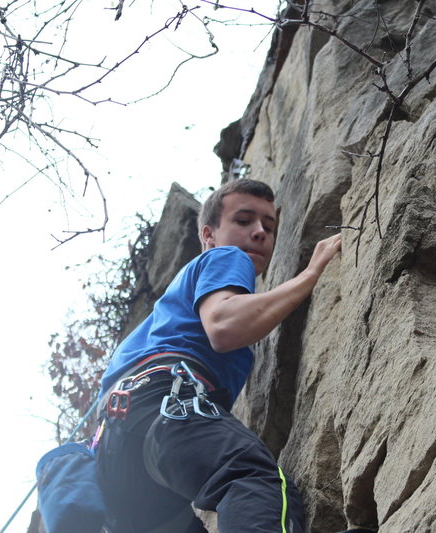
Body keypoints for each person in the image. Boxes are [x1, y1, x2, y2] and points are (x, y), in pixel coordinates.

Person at [93, 178, 348, 533]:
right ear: (208, 235)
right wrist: (309, 275)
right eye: (244, 221)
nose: (259, 232)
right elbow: (224, 325)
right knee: (251, 476)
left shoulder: (159, 320)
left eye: (269, 226)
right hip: (164, 404)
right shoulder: (225, 257)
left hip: (118, 459)